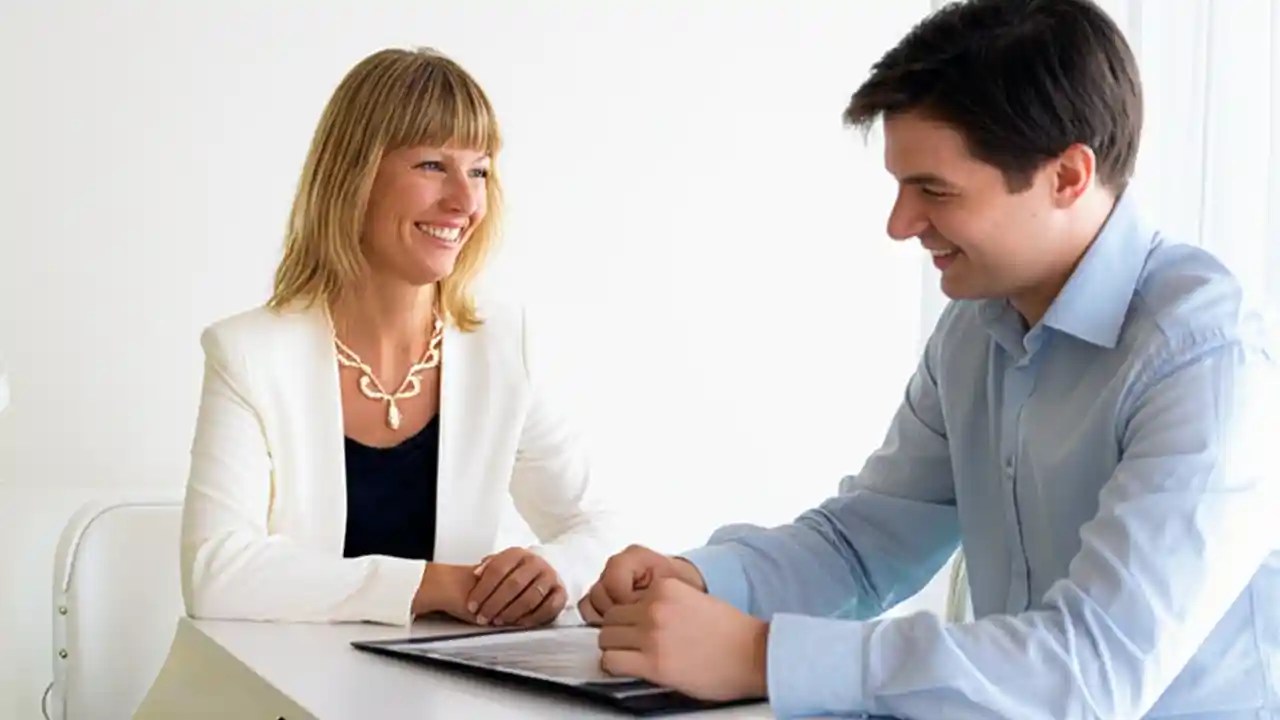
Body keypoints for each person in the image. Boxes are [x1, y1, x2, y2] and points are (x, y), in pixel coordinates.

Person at [579, 1, 1279, 718]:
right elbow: (864, 544)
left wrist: (761, 655)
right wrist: (702, 582)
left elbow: (1090, 670)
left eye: (934, 191)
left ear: (1067, 176)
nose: (899, 224)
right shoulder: (975, 327)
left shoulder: (1205, 358)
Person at [179, 47, 616, 630]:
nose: (464, 201)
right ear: (354, 175)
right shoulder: (248, 354)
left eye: (479, 170)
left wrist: (552, 570)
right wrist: (432, 583)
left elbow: (600, 531)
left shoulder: (506, 345)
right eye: (433, 165)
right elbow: (217, 574)